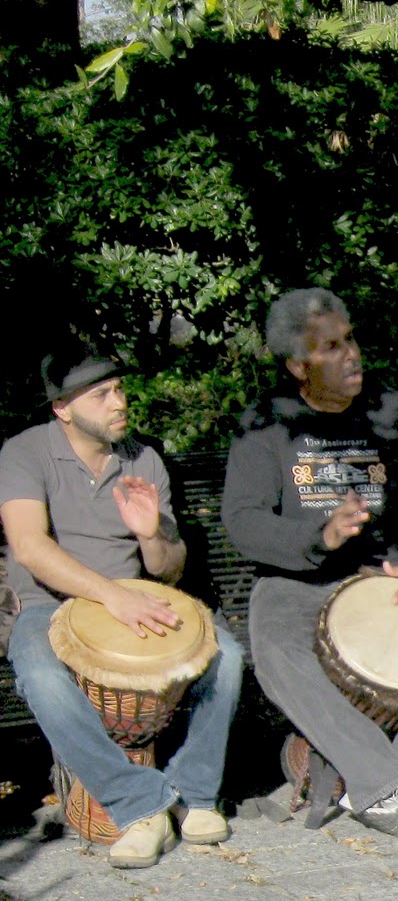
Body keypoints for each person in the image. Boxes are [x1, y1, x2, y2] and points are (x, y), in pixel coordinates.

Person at [222, 288, 398, 843]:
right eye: (330, 347)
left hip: (386, 573)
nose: (350, 354)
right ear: (297, 365)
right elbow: (242, 520)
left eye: (350, 338)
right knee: (277, 653)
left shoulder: (391, 410)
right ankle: (381, 781)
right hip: (297, 579)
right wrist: (319, 534)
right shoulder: (265, 422)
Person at [0, 348, 243, 868]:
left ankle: (196, 795)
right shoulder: (24, 453)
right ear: (62, 408)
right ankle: (142, 803)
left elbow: (169, 570)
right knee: (39, 674)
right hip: (52, 604)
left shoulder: (144, 458)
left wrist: (151, 534)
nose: (120, 402)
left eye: (119, 389)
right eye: (102, 394)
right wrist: (112, 594)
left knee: (226, 652)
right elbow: (29, 547)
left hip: (137, 597)